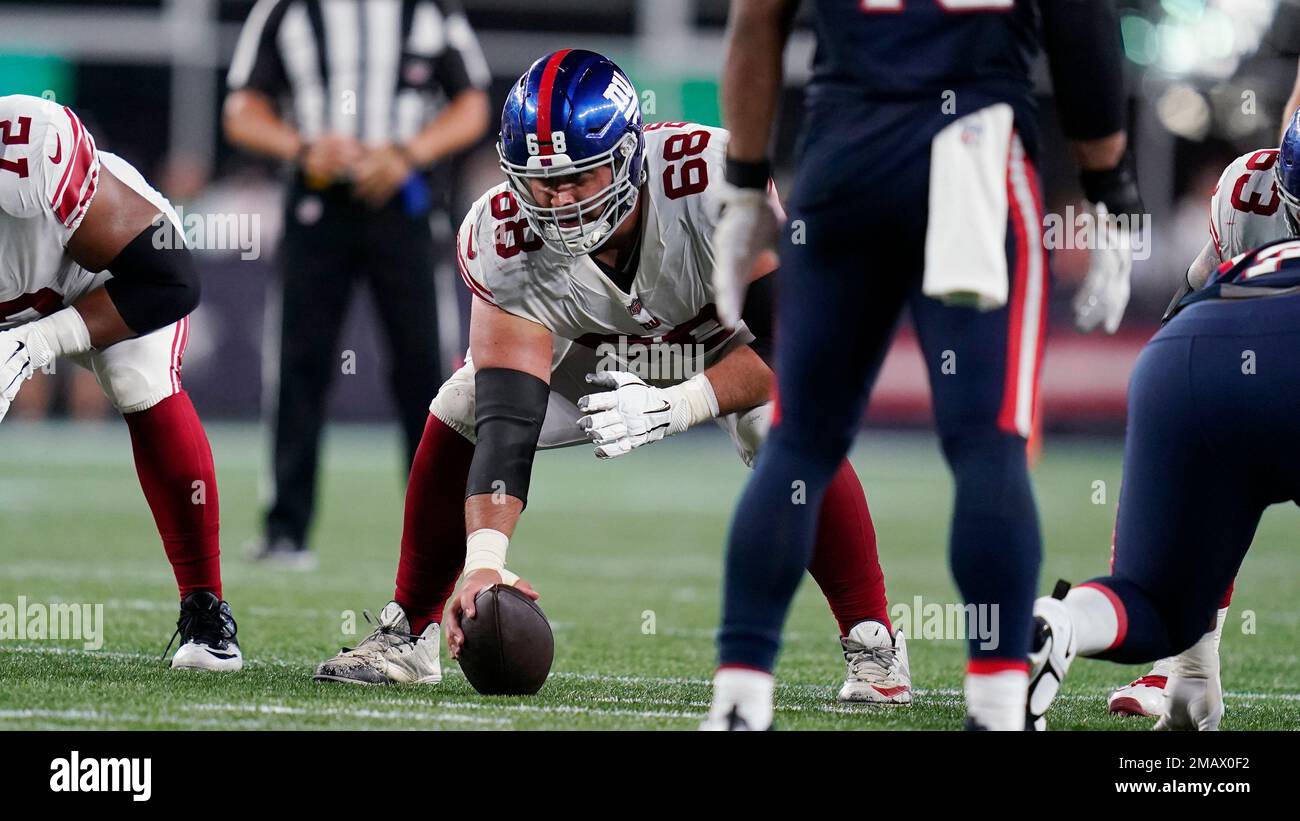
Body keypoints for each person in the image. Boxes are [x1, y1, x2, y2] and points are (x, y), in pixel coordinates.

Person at [312, 50, 911, 706]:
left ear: (629, 156)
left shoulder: (710, 178)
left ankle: (872, 635)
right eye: (544, 184)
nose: (561, 201)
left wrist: (676, 405)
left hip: (720, 349)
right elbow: (507, 416)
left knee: (785, 424)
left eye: (581, 177)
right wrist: (484, 558)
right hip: (594, 359)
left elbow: (792, 350)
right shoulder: (502, 234)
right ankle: (411, 632)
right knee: (466, 400)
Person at [705, 0, 1140, 730]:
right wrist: (1110, 190)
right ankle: (999, 704)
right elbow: (1082, 22)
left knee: (799, 442)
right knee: (987, 444)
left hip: (843, 151)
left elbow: (755, 20)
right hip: (975, 151)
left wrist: (747, 183)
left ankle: (741, 699)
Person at [223, 0, 491, 567]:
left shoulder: (429, 9)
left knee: (425, 368)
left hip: (405, 202)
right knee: (299, 361)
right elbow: (241, 109)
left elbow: (472, 104)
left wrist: (407, 154)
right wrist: (303, 148)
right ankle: (285, 529)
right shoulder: (286, 9)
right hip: (317, 203)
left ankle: (441, 530)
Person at [0, 93, 240, 670]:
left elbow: (171, 280)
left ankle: (207, 615)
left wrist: (33, 344)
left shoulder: (30, 150)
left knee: (138, 380)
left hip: (103, 275)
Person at [1028, 235, 1300, 731]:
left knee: (1152, 602)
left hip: (1185, 351)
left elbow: (1185, 301)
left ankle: (1062, 622)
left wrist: (1194, 667)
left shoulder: (1248, 204)